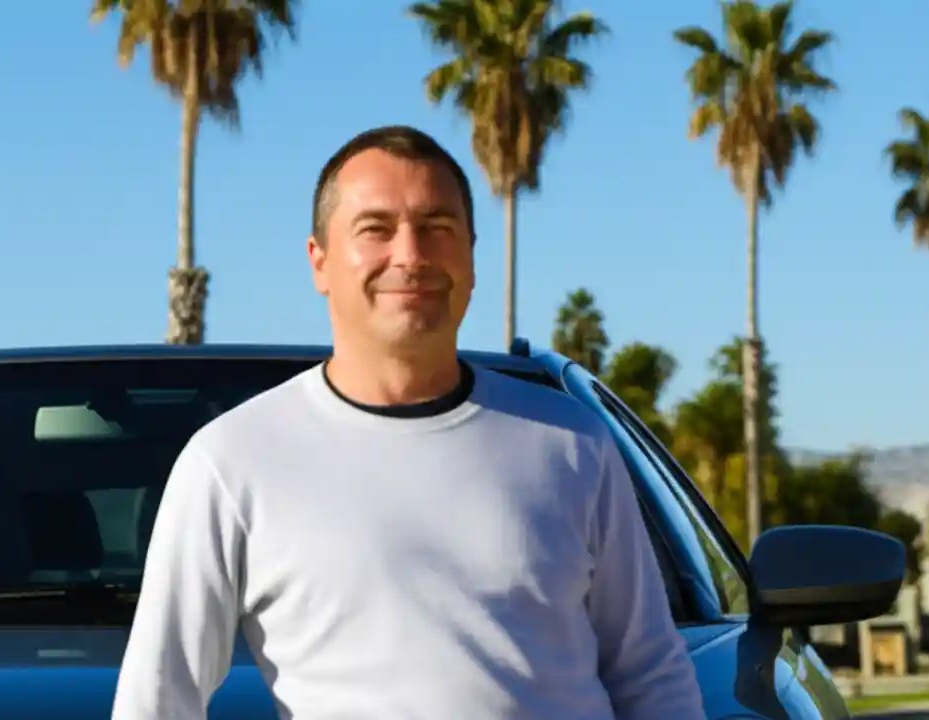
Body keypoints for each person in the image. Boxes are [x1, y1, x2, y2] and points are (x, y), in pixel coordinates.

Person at [110, 125, 706, 719]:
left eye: (437, 228)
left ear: (470, 256)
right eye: (375, 229)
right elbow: (158, 703)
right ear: (319, 261)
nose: (412, 256)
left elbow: (650, 673)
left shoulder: (573, 441)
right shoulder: (233, 462)